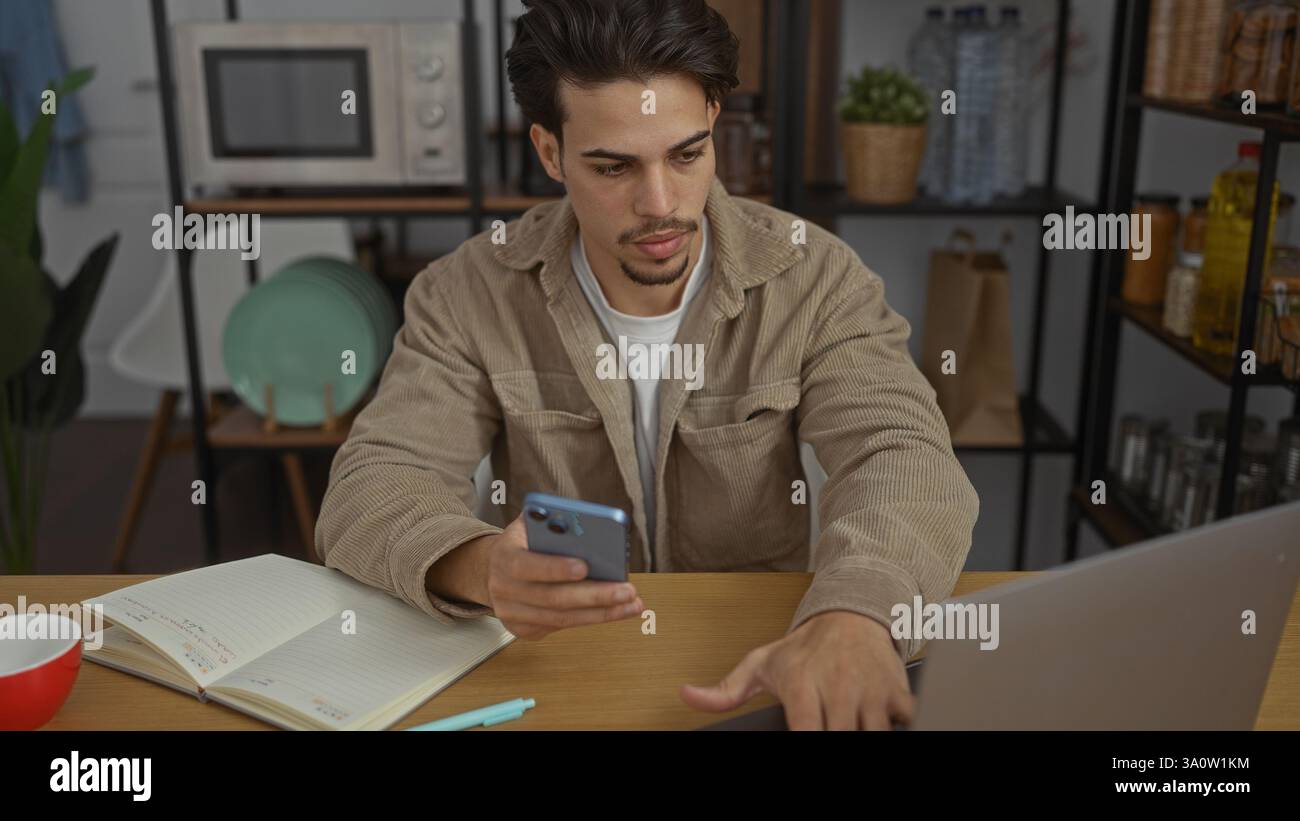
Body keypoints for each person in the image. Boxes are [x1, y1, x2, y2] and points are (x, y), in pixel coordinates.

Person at [317, 0, 979, 730]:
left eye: (686, 154)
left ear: (715, 124)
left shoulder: (814, 276)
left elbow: (904, 456)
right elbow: (371, 487)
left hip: (757, 662)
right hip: (561, 671)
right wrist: (480, 565)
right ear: (549, 152)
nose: (661, 204)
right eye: (613, 166)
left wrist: (858, 613)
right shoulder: (466, 291)